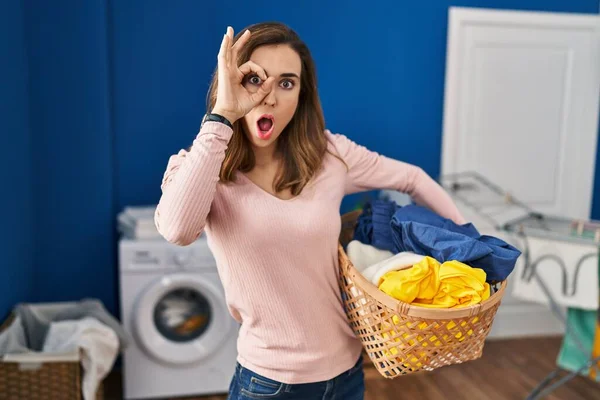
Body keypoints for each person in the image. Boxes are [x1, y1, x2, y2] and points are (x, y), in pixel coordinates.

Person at [154, 21, 466, 400]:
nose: (269, 97)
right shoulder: (202, 167)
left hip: (347, 374)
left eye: (286, 83)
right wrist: (222, 116)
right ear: (231, 82)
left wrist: (471, 248)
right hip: (268, 385)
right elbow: (176, 229)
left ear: (302, 94)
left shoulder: (329, 155)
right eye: (255, 79)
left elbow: (413, 178)